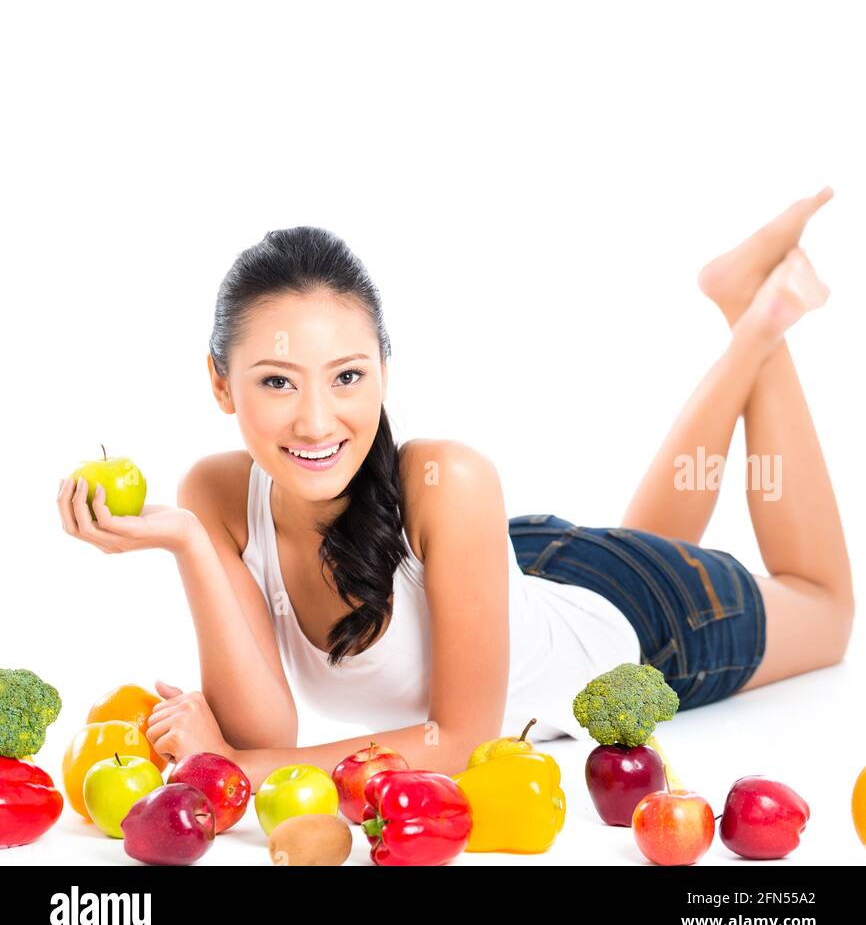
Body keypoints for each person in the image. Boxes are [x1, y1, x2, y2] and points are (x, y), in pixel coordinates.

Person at [57, 189, 855, 789]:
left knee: (825, 610)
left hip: (644, 630)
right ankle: (746, 302)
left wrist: (242, 771)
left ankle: (759, 323)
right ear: (221, 384)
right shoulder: (215, 494)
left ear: (383, 372)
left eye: (346, 376)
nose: (314, 419)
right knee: (637, 561)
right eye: (275, 381)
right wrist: (190, 547)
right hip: (524, 587)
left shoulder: (453, 476)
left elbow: (459, 744)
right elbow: (264, 723)